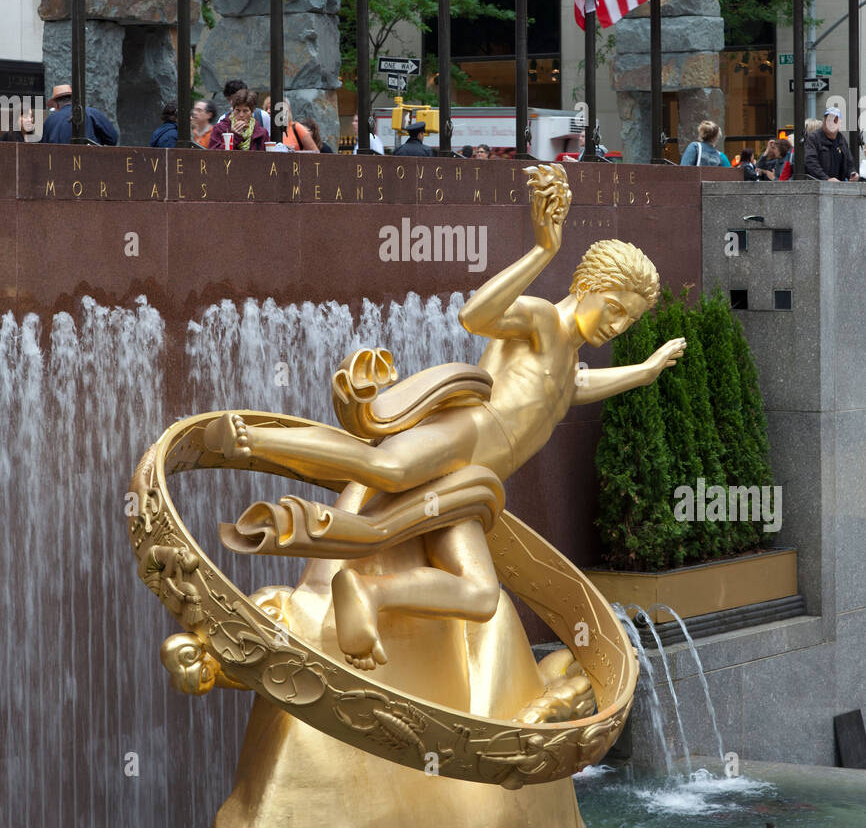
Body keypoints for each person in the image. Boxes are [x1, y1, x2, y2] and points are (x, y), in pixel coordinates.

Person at [206, 165, 684, 670]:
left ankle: (369, 592)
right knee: (385, 468)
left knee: (480, 594)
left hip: (471, 485)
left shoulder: (568, 361)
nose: (617, 325)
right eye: (613, 309)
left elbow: (578, 388)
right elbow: (476, 315)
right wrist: (543, 250)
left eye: (628, 320)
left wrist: (643, 372)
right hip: (467, 435)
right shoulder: (543, 320)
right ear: (585, 287)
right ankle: (249, 438)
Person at [40, 83, 118, 146]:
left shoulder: (49, 121)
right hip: (90, 161)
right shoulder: (92, 113)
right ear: (76, 99)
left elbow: (43, 148)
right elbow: (112, 138)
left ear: (56, 104)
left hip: (59, 163)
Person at [804, 105, 859, 182]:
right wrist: (826, 179)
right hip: (816, 186)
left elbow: (849, 163)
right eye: (828, 120)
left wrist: (852, 173)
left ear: (840, 124)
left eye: (834, 120)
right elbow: (810, 162)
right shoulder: (813, 138)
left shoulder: (841, 140)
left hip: (837, 188)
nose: (830, 123)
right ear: (823, 121)